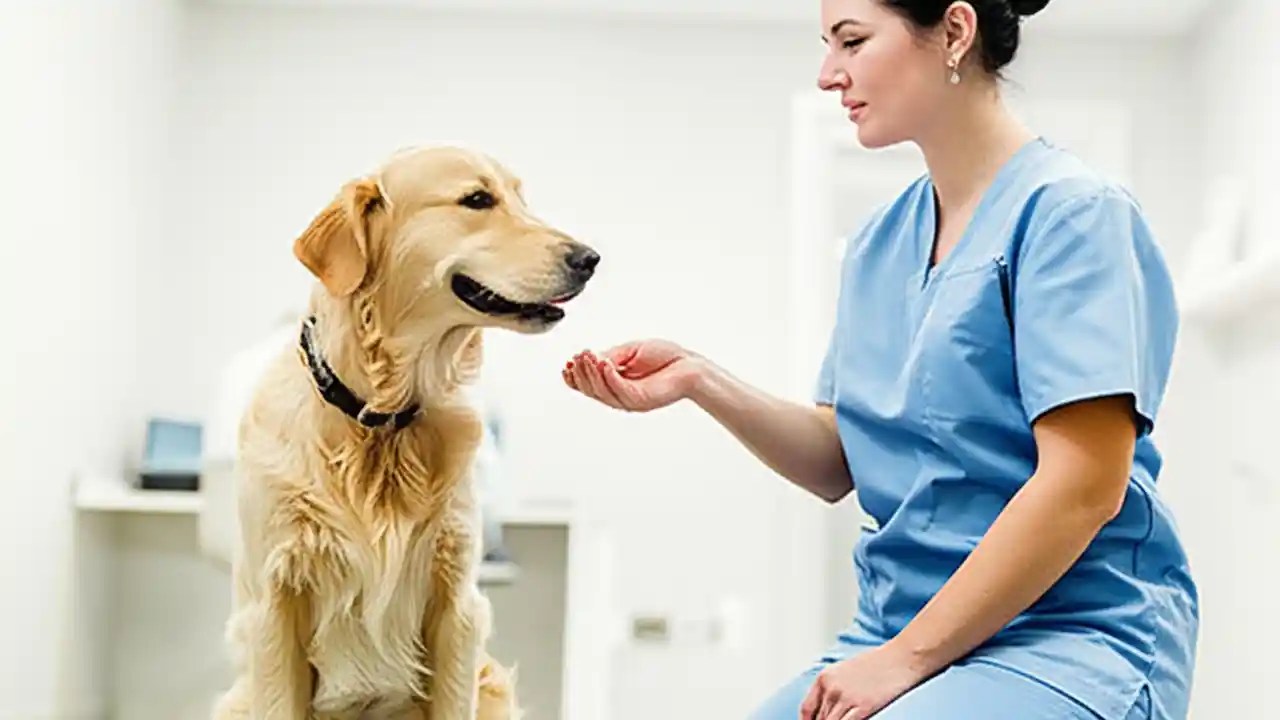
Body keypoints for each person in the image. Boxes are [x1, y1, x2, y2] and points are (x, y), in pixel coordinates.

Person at [561, 0, 1199, 718]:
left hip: (1070, 635)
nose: (830, 74)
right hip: (902, 629)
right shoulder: (877, 245)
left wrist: (904, 662)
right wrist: (699, 380)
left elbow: (1084, 487)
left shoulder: (1074, 215)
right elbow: (841, 458)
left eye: (852, 42)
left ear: (955, 32)